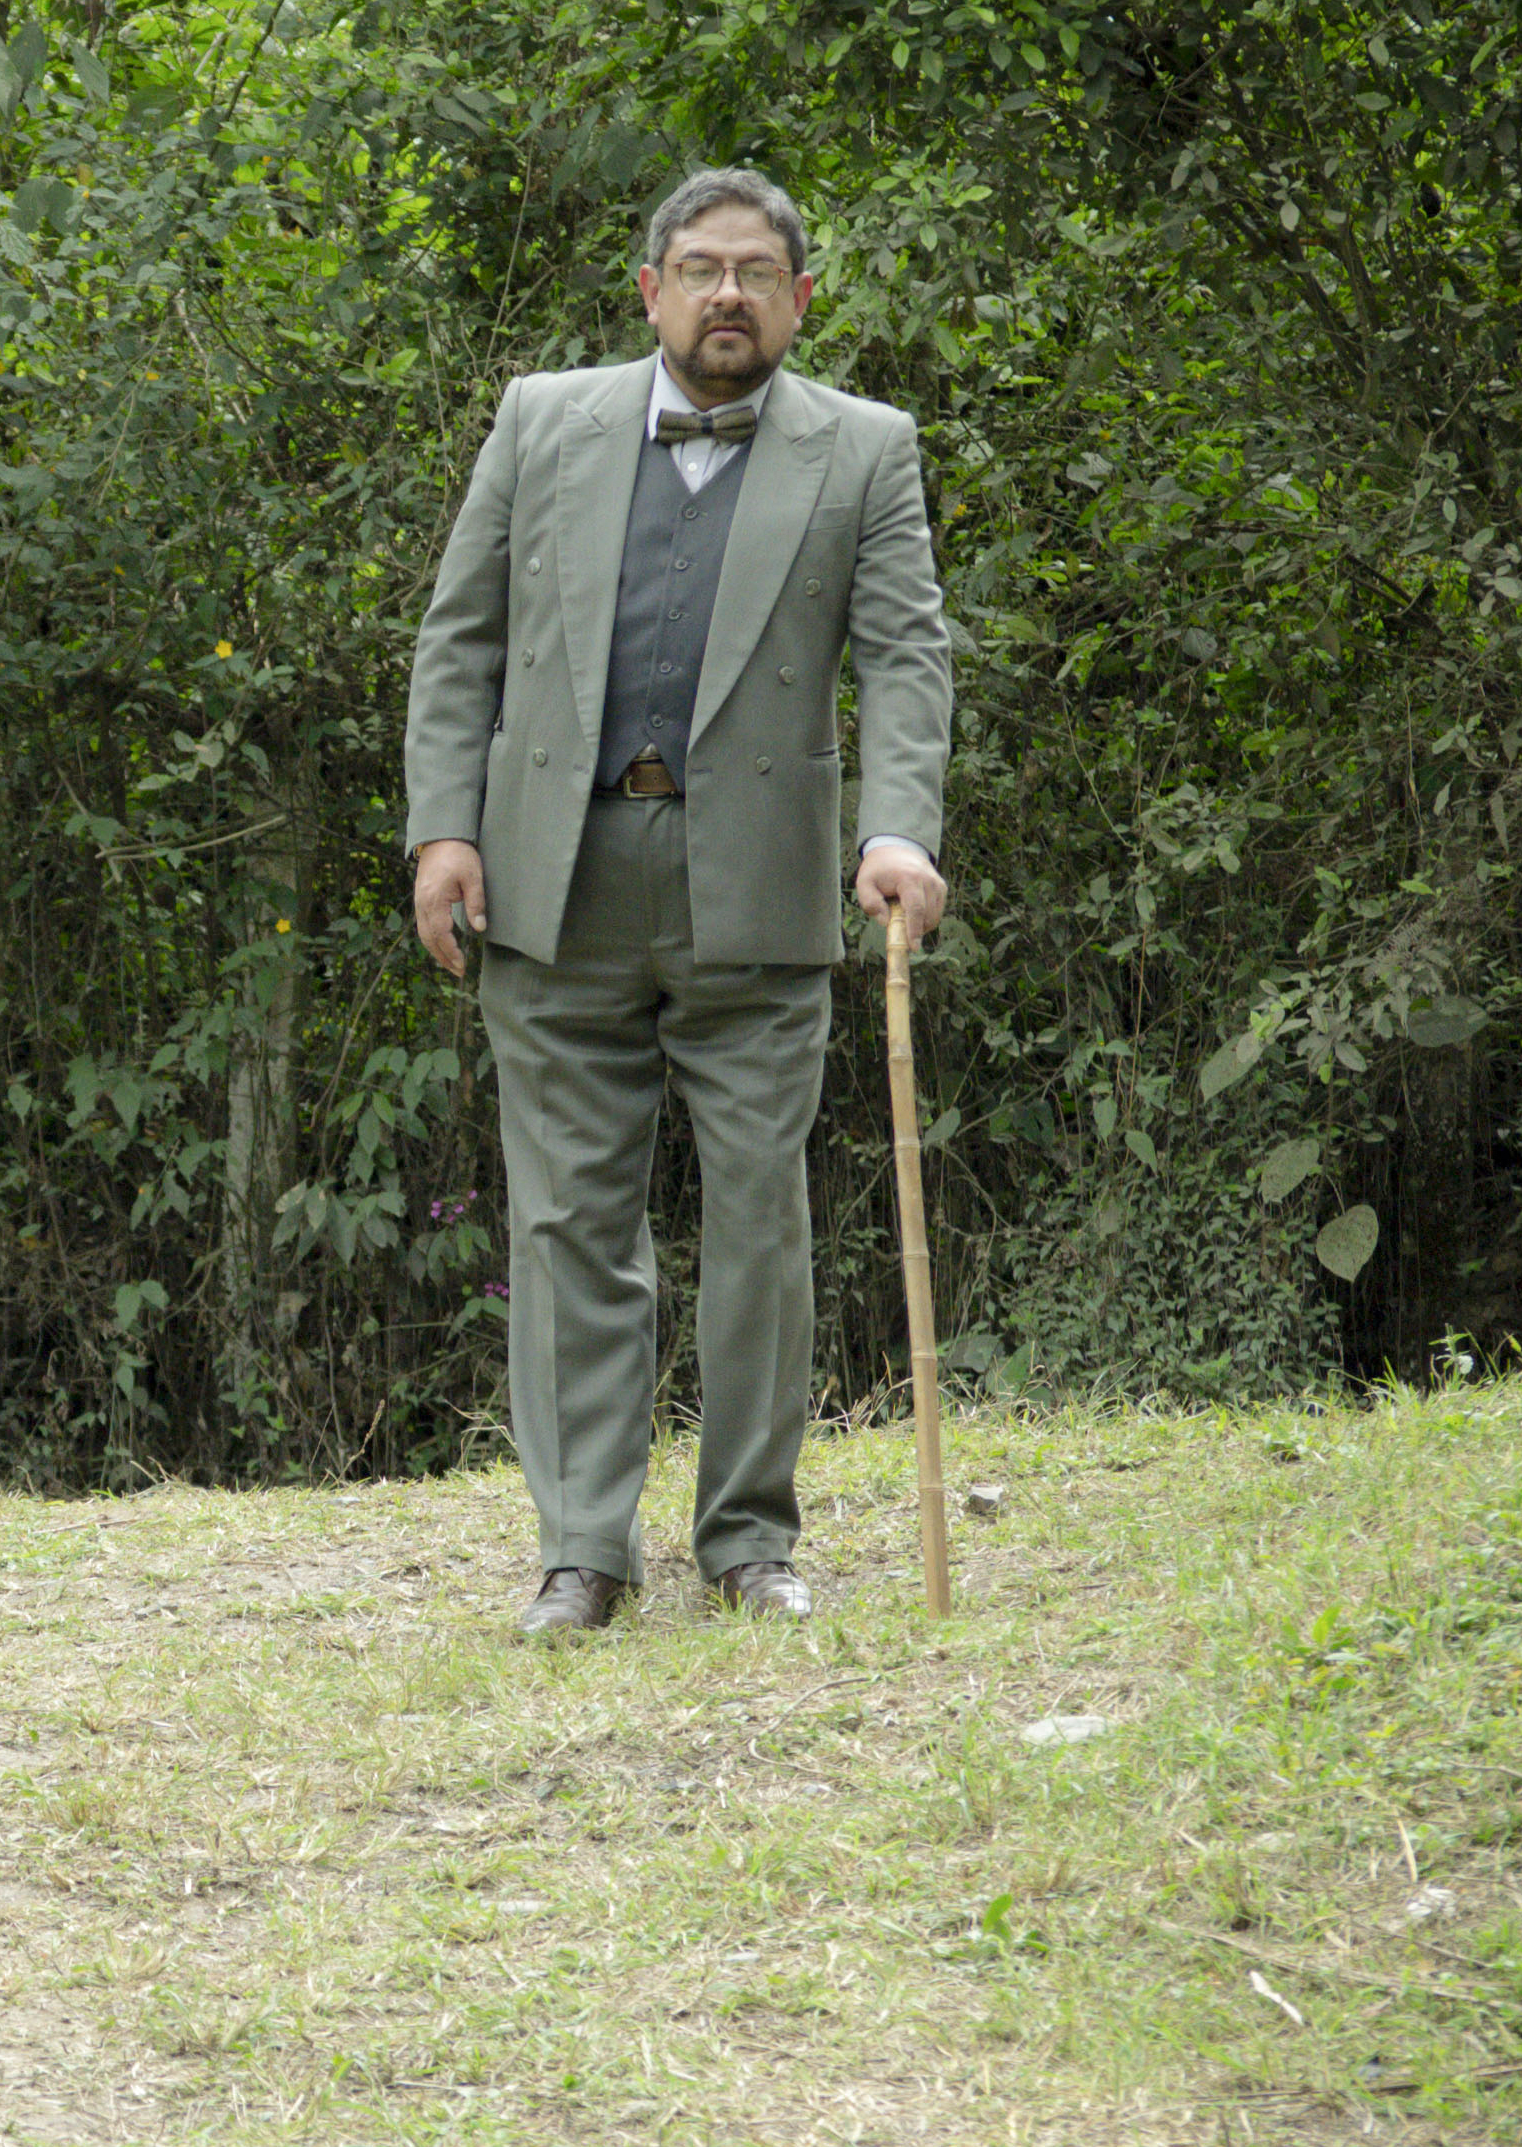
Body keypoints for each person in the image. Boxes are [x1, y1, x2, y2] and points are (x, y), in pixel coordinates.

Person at [399, 166, 951, 1639]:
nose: (726, 295)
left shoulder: (867, 452)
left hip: (758, 896)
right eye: (700, 270)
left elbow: (906, 657)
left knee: (762, 1218)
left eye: (756, 274)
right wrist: (441, 831)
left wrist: (898, 827)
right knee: (571, 1219)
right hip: (553, 883)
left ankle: (749, 1542)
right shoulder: (541, 421)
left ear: (799, 300)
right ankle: (582, 1548)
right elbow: (461, 640)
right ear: (649, 291)